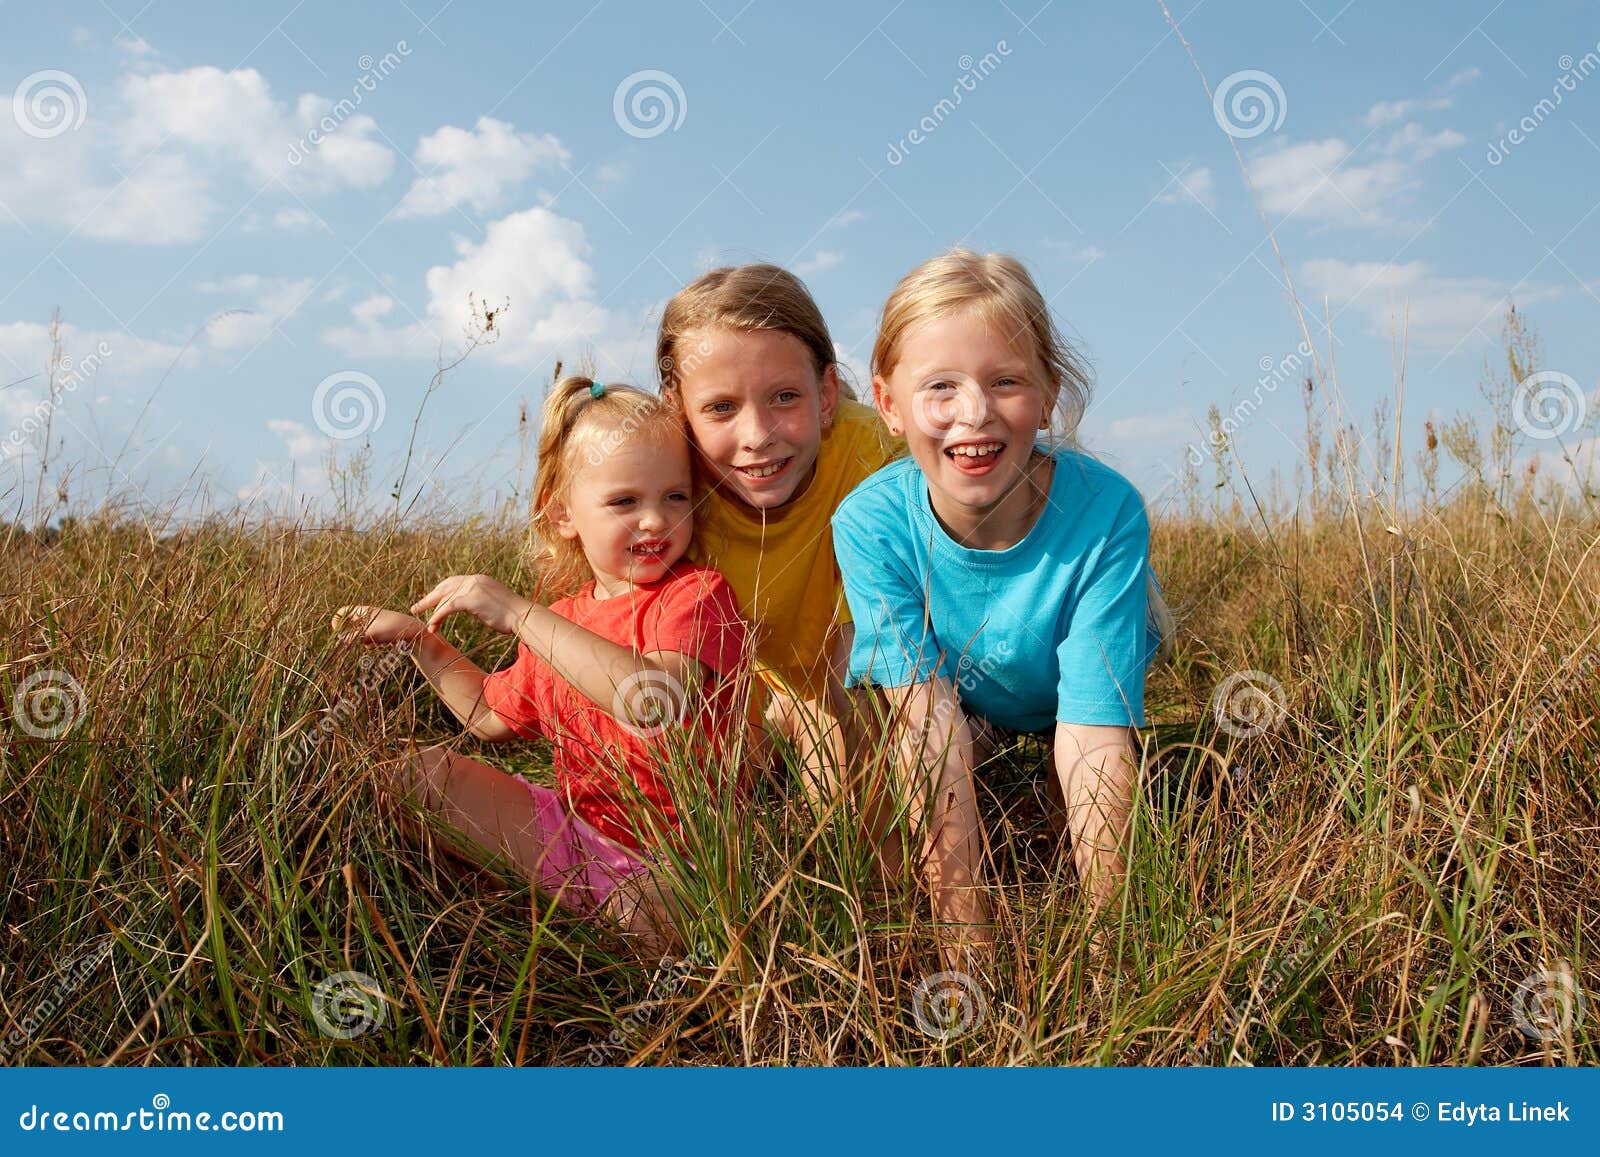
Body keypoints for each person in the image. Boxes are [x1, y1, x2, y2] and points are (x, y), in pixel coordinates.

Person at [831, 249, 1175, 966]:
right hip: (963, 694)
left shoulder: (1106, 511)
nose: (975, 413)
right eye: (941, 386)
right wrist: (967, 950)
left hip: (1067, 691)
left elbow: (1095, 742)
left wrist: (1116, 956)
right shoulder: (869, 524)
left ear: (1049, 393)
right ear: (889, 403)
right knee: (914, 744)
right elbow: (925, 732)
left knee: (1075, 770)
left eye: (1006, 381)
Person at [333, 377, 752, 953]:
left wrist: (515, 611)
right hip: (576, 832)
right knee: (415, 777)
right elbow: (489, 718)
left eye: (675, 497)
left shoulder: (697, 595)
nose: (655, 520)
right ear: (562, 516)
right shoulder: (561, 619)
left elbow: (653, 699)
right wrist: (417, 642)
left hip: (680, 859)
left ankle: (562, 922)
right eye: (625, 501)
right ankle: (534, 907)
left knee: (648, 915)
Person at [656, 263, 902, 799]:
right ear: (678, 412)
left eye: (785, 397)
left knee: (849, 744)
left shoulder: (877, 453)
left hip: (883, 672)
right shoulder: (668, 491)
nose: (757, 436)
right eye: (721, 407)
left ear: (828, 393)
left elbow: (870, 645)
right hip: (760, 688)